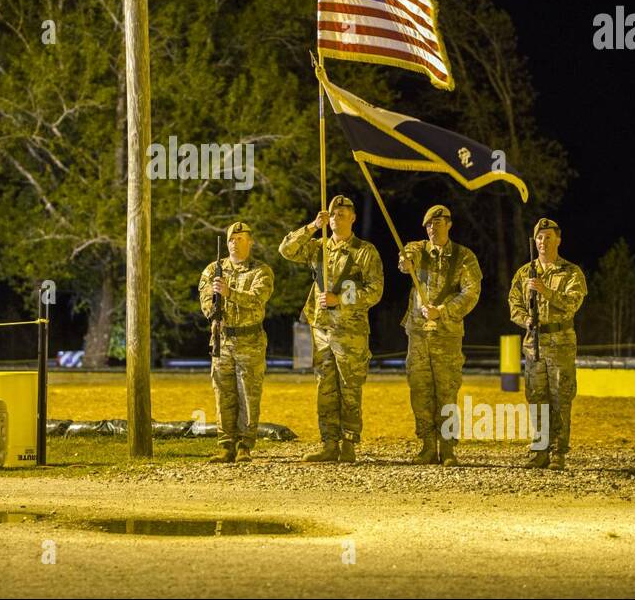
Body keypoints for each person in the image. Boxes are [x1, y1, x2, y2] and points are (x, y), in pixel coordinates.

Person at [279, 195, 383, 463]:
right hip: (322, 330)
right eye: (334, 213)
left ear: (353, 218)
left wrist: (343, 299)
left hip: (351, 332)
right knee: (324, 387)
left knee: (350, 387)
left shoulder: (365, 251)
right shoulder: (318, 248)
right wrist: (313, 226)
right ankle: (328, 443)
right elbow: (286, 250)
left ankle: (349, 443)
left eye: (342, 213)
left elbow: (375, 291)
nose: (337, 217)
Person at [398, 204, 482, 466]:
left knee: (446, 390)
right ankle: (426, 446)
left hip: (447, 334)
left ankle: (447, 447)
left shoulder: (464, 257)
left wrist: (443, 311)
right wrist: (405, 261)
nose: (433, 228)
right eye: (429, 224)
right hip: (419, 334)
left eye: (439, 222)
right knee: (420, 390)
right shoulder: (418, 250)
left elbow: (471, 292)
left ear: (449, 224)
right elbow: (404, 259)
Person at [507, 218, 588, 470]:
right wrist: (526, 319)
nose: (544, 242)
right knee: (536, 396)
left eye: (549, 237)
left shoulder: (571, 272)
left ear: (558, 240)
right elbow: (513, 305)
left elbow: (572, 303)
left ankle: (558, 452)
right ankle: (540, 448)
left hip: (560, 343)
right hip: (534, 344)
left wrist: (545, 291)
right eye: (540, 238)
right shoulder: (524, 273)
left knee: (560, 397)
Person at [198, 222, 274, 463]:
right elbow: (205, 297)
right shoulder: (213, 270)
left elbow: (257, 299)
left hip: (250, 340)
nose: (235, 243)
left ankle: (245, 444)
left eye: (241, 239)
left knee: (248, 394)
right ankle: (226, 444)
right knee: (223, 393)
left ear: (250, 242)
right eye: (232, 239)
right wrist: (213, 312)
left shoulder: (261, 271)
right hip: (222, 339)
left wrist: (230, 293)